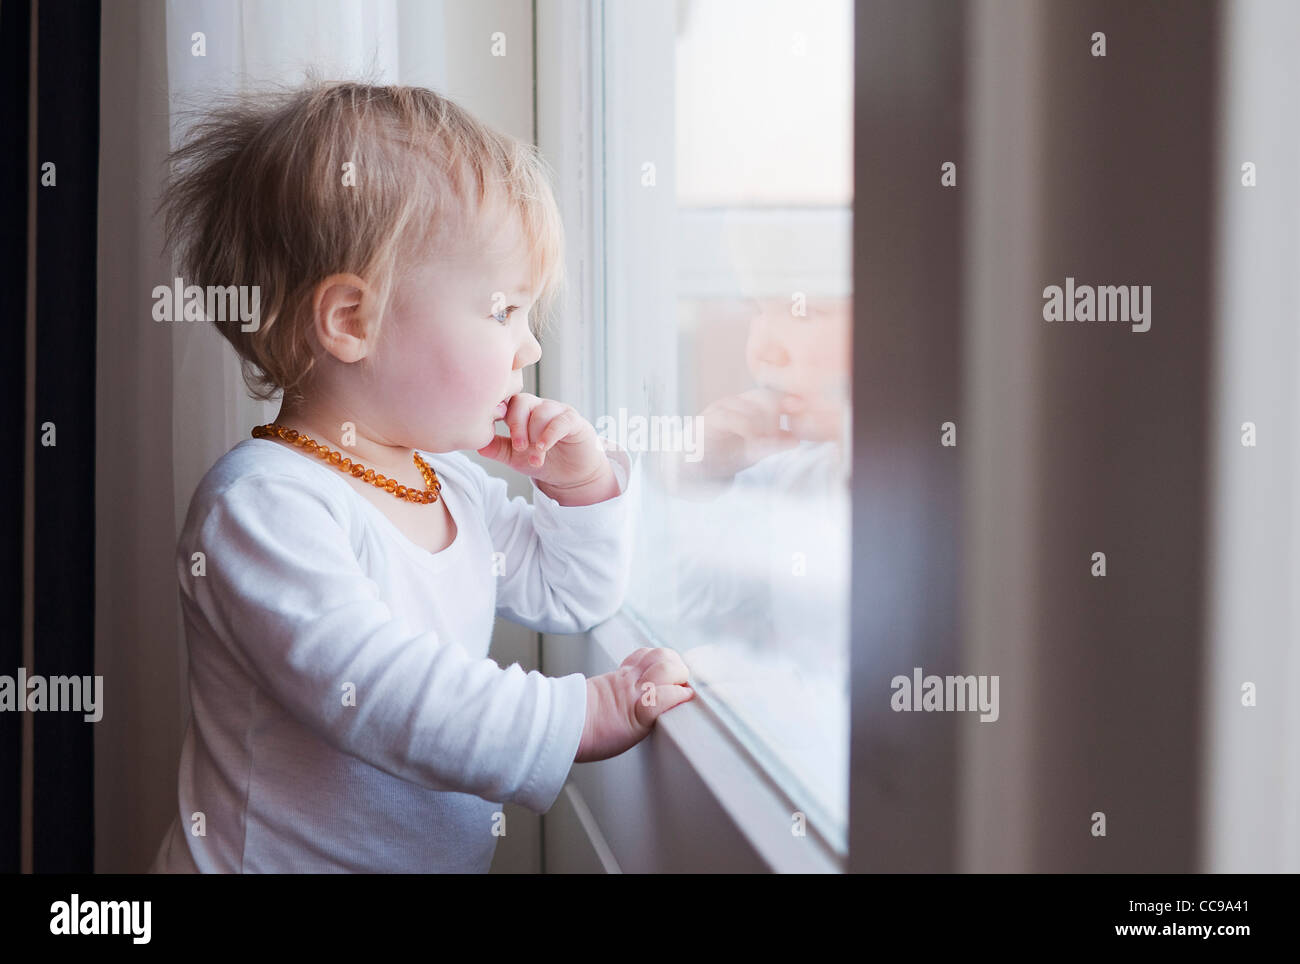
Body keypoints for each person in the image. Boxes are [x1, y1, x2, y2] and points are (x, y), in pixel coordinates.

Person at [146, 80, 693, 873]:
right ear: (351, 322)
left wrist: (581, 486)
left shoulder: (442, 483)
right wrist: (584, 713)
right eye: (504, 312)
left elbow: (569, 594)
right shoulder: (263, 506)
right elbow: (379, 691)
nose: (529, 348)